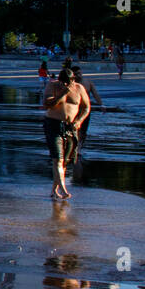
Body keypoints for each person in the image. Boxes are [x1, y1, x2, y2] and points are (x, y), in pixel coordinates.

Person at [43, 67, 90, 199]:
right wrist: (62, 93)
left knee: (65, 161)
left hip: (71, 127)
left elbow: (86, 107)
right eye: (61, 81)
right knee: (57, 158)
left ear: (72, 80)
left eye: (66, 82)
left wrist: (79, 121)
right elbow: (47, 104)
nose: (63, 84)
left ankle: (54, 190)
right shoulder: (52, 86)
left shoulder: (79, 88)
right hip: (53, 124)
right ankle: (63, 189)